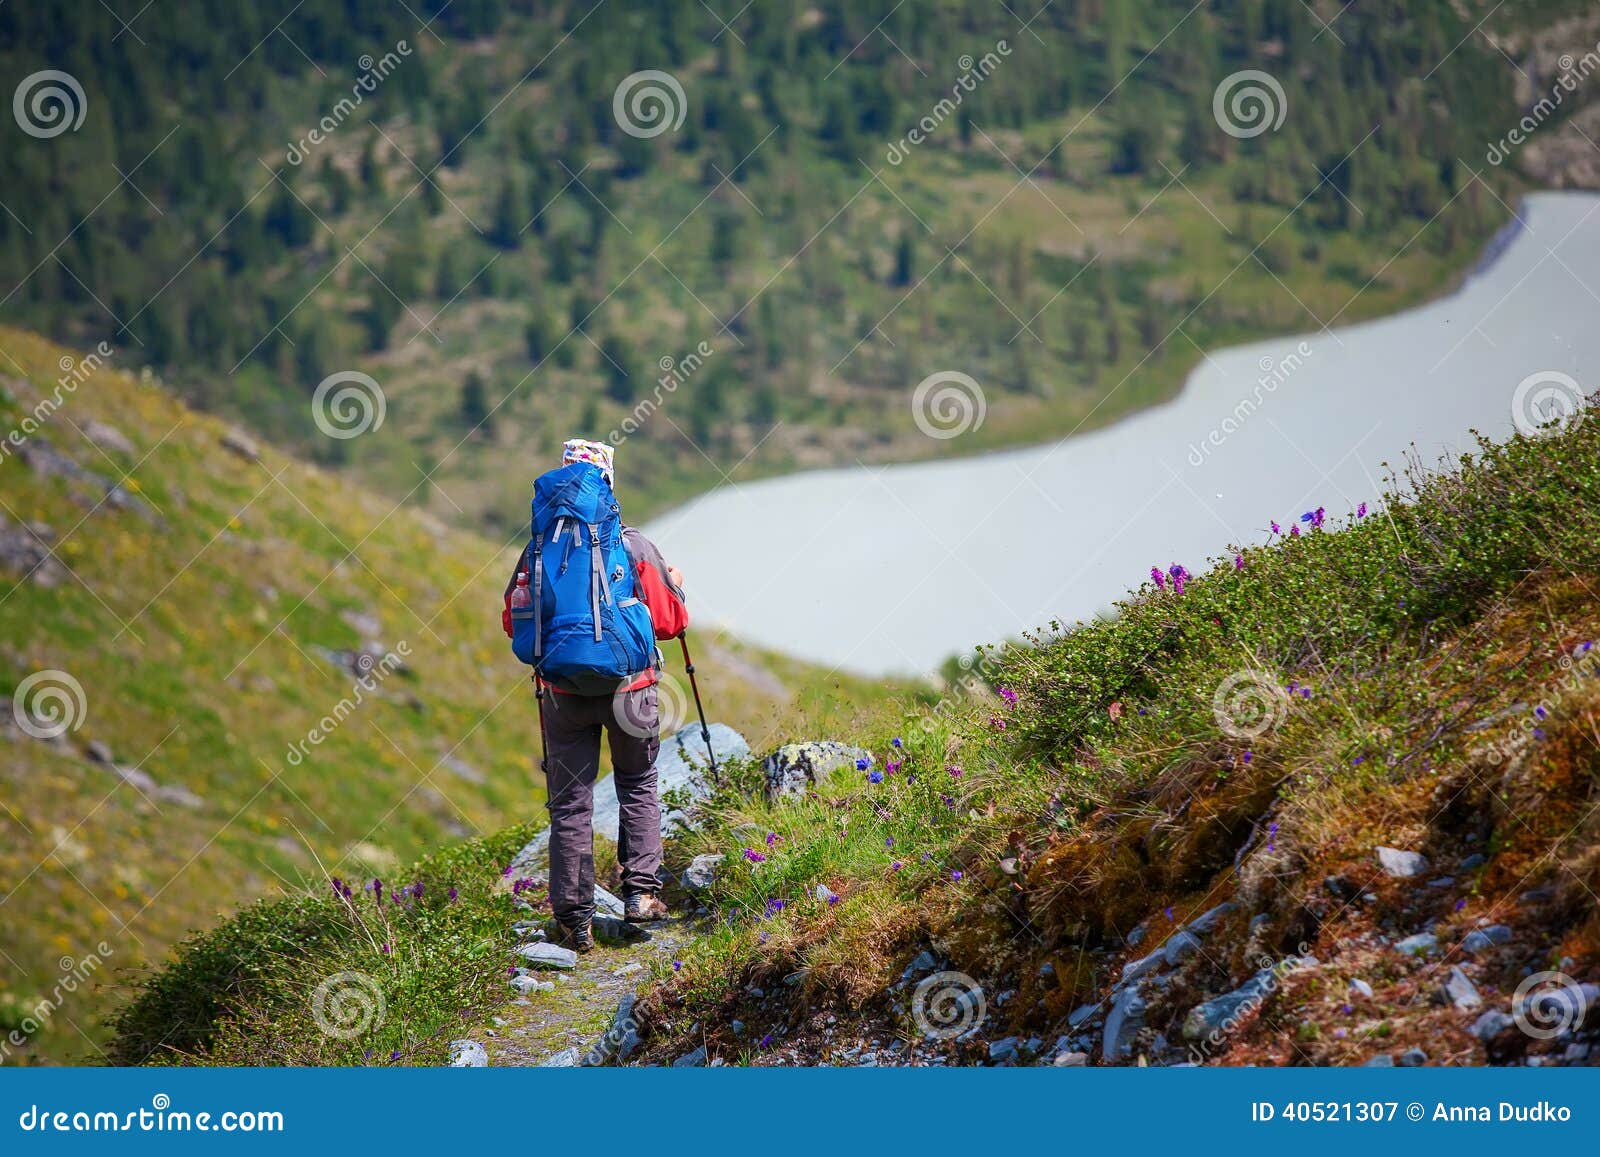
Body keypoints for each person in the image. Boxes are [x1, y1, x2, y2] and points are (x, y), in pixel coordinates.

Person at [502, 439, 688, 953]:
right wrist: (676, 586)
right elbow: (673, 622)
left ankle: (573, 922)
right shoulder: (631, 546)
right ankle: (642, 897)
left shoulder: (536, 550)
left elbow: (511, 619)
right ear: (609, 481)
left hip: (561, 692)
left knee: (571, 805)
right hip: (630, 689)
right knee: (637, 781)